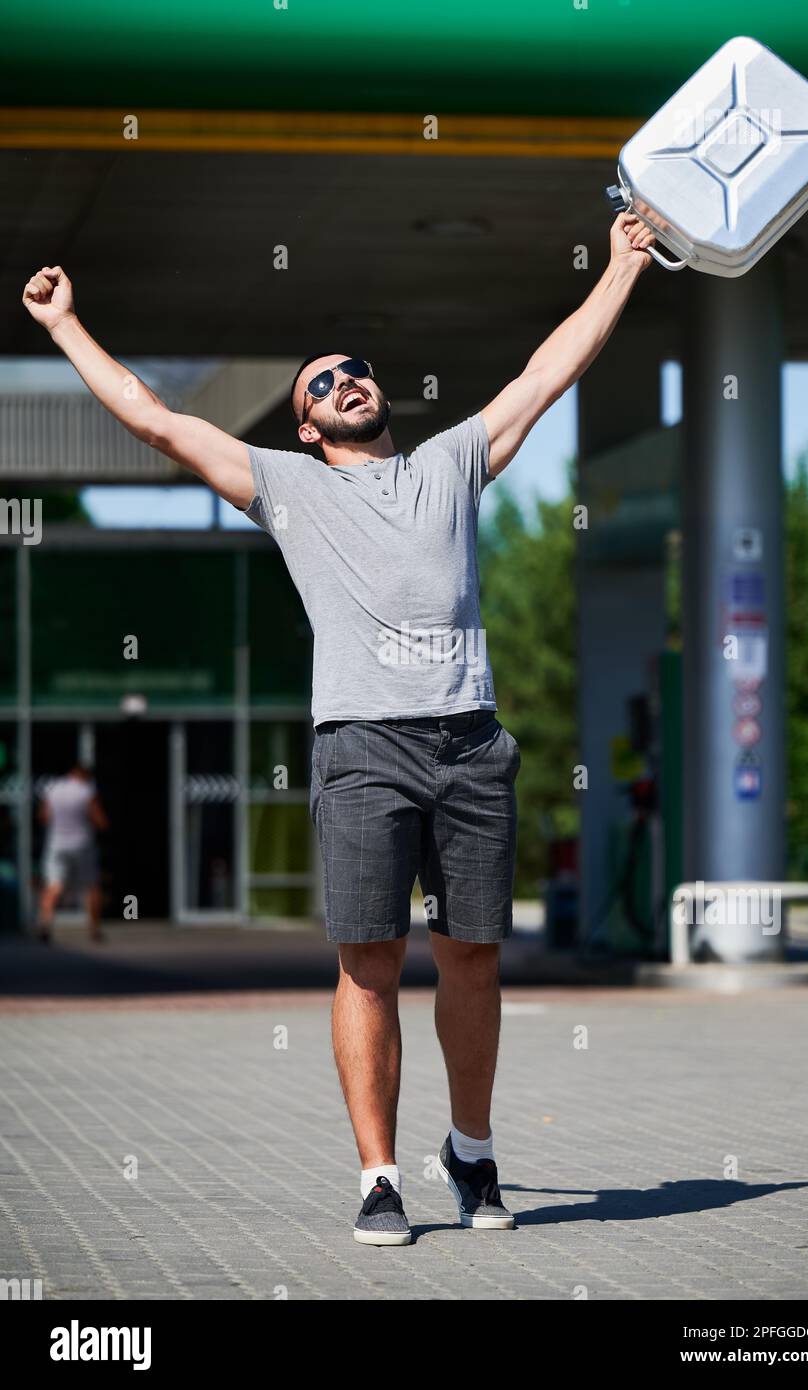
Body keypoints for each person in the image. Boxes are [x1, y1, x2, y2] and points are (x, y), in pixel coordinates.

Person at [22, 210, 655, 1243]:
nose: (343, 382)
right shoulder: (288, 486)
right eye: (319, 383)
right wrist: (65, 328)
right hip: (363, 747)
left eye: (353, 369)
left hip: (469, 740)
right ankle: (376, 1176)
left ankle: (473, 1150)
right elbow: (156, 420)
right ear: (305, 424)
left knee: (472, 957)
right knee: (367, 960)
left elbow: (549, 370)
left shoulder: (452, 462)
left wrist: (623, 264)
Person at [37, 762, 109, 944]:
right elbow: (100, 820)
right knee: (91, 886)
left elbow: (44, 817)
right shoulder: (86, 792)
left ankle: (46, 924)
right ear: (84, 776)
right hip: (82, 844)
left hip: (57, 844)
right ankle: (94, 930)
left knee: (53, 885)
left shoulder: (53, 789)